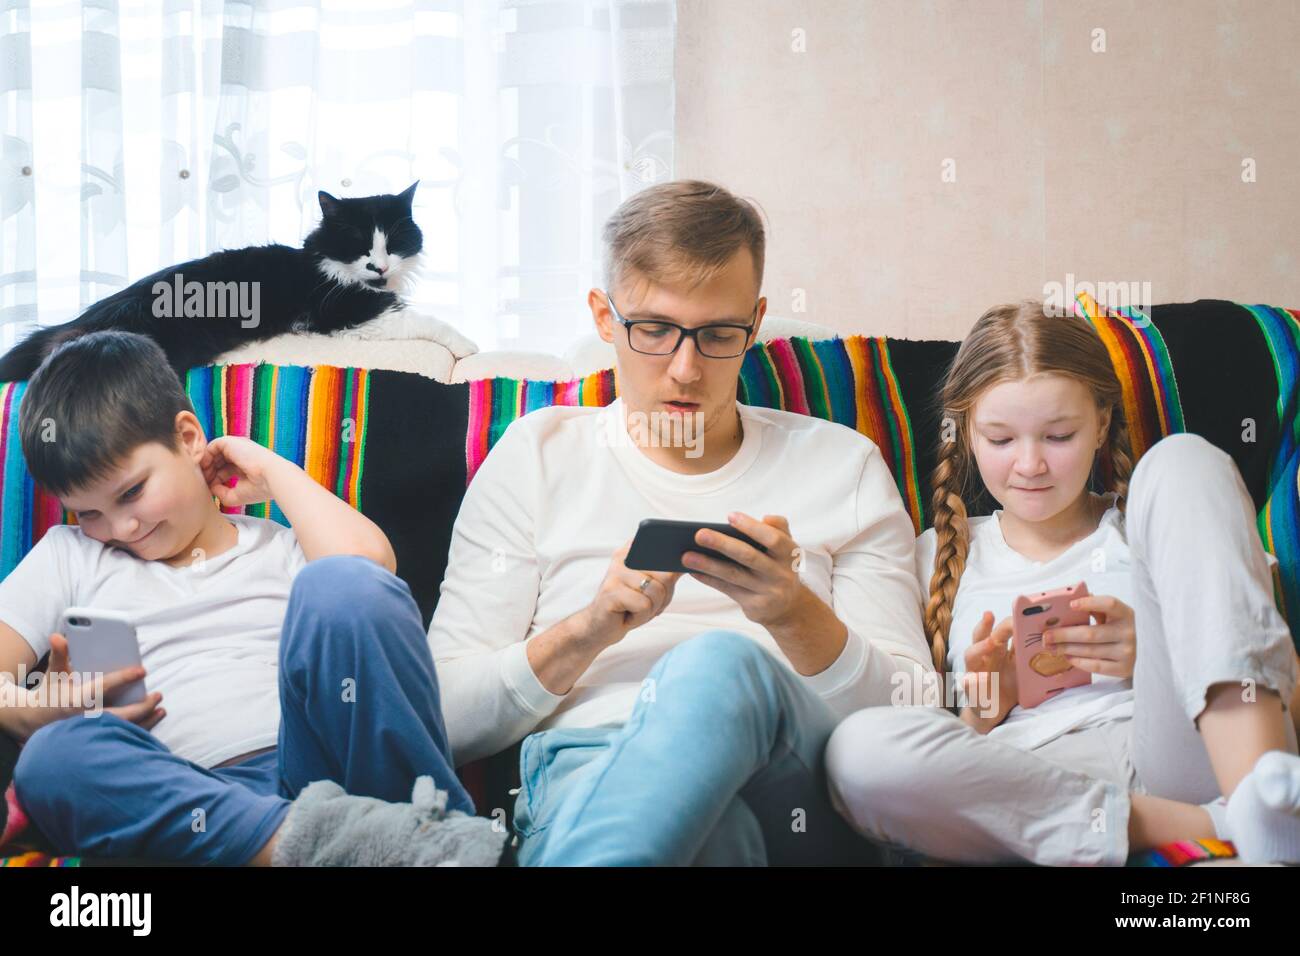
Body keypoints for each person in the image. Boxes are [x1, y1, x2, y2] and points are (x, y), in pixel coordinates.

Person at [428, 180, 934, 865]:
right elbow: (446, 719)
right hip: (591, 770)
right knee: (717, 839)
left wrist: (791, 613)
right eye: (656, 330)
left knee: (721, 664)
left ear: (754, 324)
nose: (686, 369)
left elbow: (914, 719)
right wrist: (589, 628)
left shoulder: (842, 466)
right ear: (604, 318)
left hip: (797, 782)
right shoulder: (537, 455)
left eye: (718, 334)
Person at [0, 330, 506, 866]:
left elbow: (370, 570)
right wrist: (30, 712)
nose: (122, 526)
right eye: (90, 513)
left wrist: (271, 470)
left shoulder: (281, 547)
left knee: (341, 583)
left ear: (189, 437)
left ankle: (405, 833)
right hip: (190, 800)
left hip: (317, 771)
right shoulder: (69, 555)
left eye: (132, 492)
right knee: (53, 761)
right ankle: (383, 850)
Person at [825, 301, 1300, 865]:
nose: (1030, 465)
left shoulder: (1154, 527)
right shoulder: (930, 555)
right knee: (855, 752)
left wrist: (1155, 654)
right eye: (1001, 440)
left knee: (1182, 460)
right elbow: (938, 745)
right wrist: (983, 708)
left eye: (1058, 435)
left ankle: (1253, 789)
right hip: (1030, 783)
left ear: (1101, 423)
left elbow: (1281, 687)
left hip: (1179, 752)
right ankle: (1229, 823)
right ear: (966, 435)